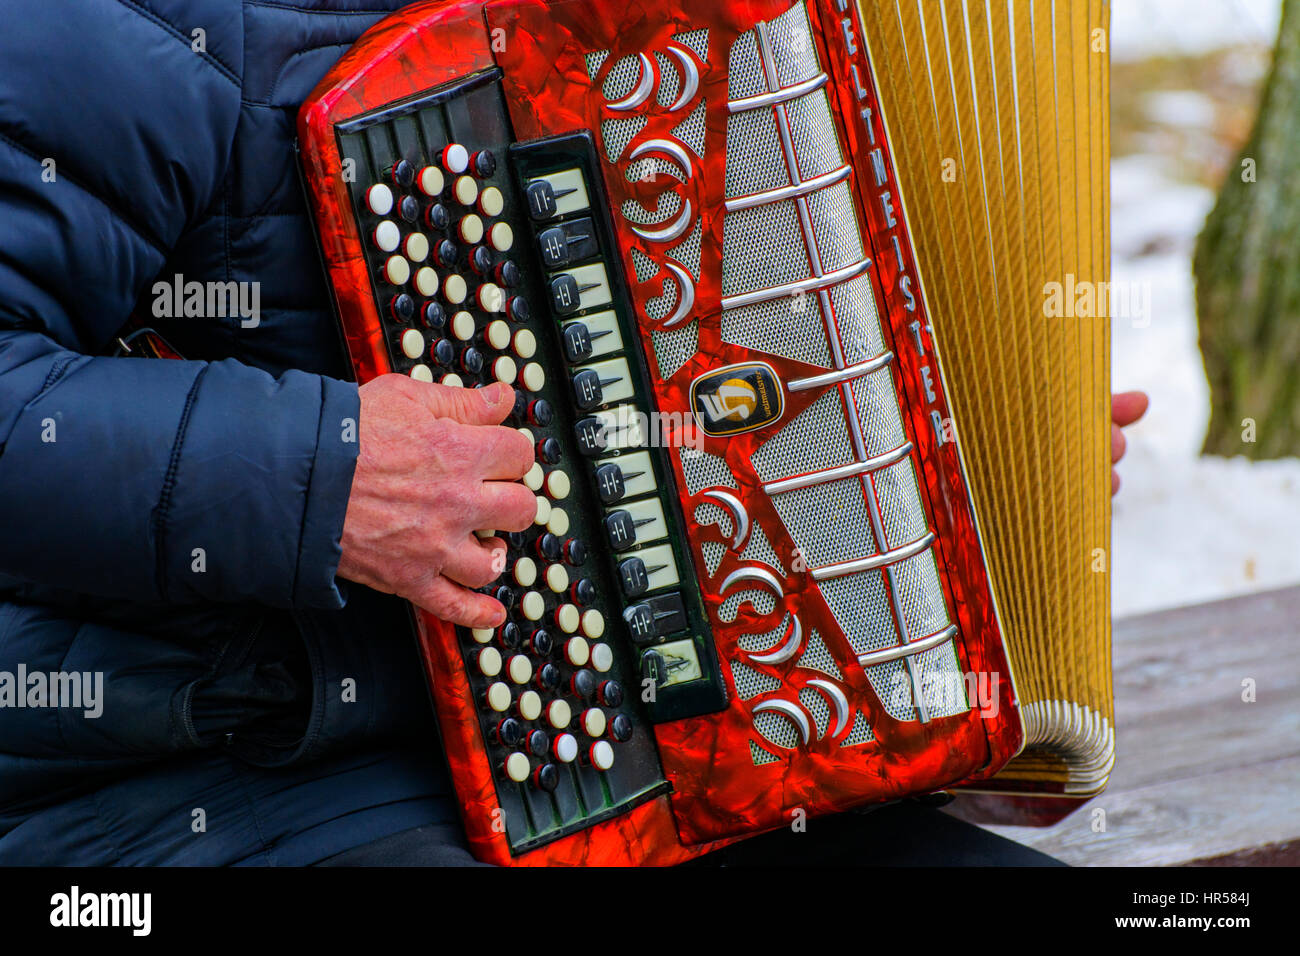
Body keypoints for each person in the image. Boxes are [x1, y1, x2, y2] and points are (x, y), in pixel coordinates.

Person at [0, 0, 1145, 866]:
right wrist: (329, 473)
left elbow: (711, 350)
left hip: (671, 755)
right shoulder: (125, 27)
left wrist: (959, 503)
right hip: (202, 767)